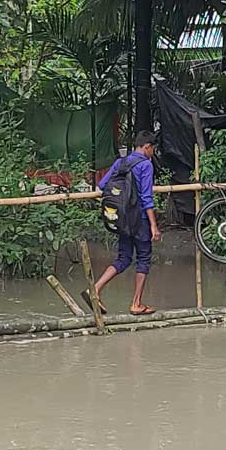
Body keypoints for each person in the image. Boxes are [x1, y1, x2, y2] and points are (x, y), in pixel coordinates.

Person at [83, 130, 162, 315]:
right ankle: (136, 304)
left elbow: (102, 185)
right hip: (140, 220)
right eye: (153, 150)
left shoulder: (121, 162)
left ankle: (95, 289)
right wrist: (153, 225)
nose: (153, 153)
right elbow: (146, 197)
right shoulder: (146, 165)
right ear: (147, 147)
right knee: (143, 258)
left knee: (124, 258)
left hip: (122, 220)